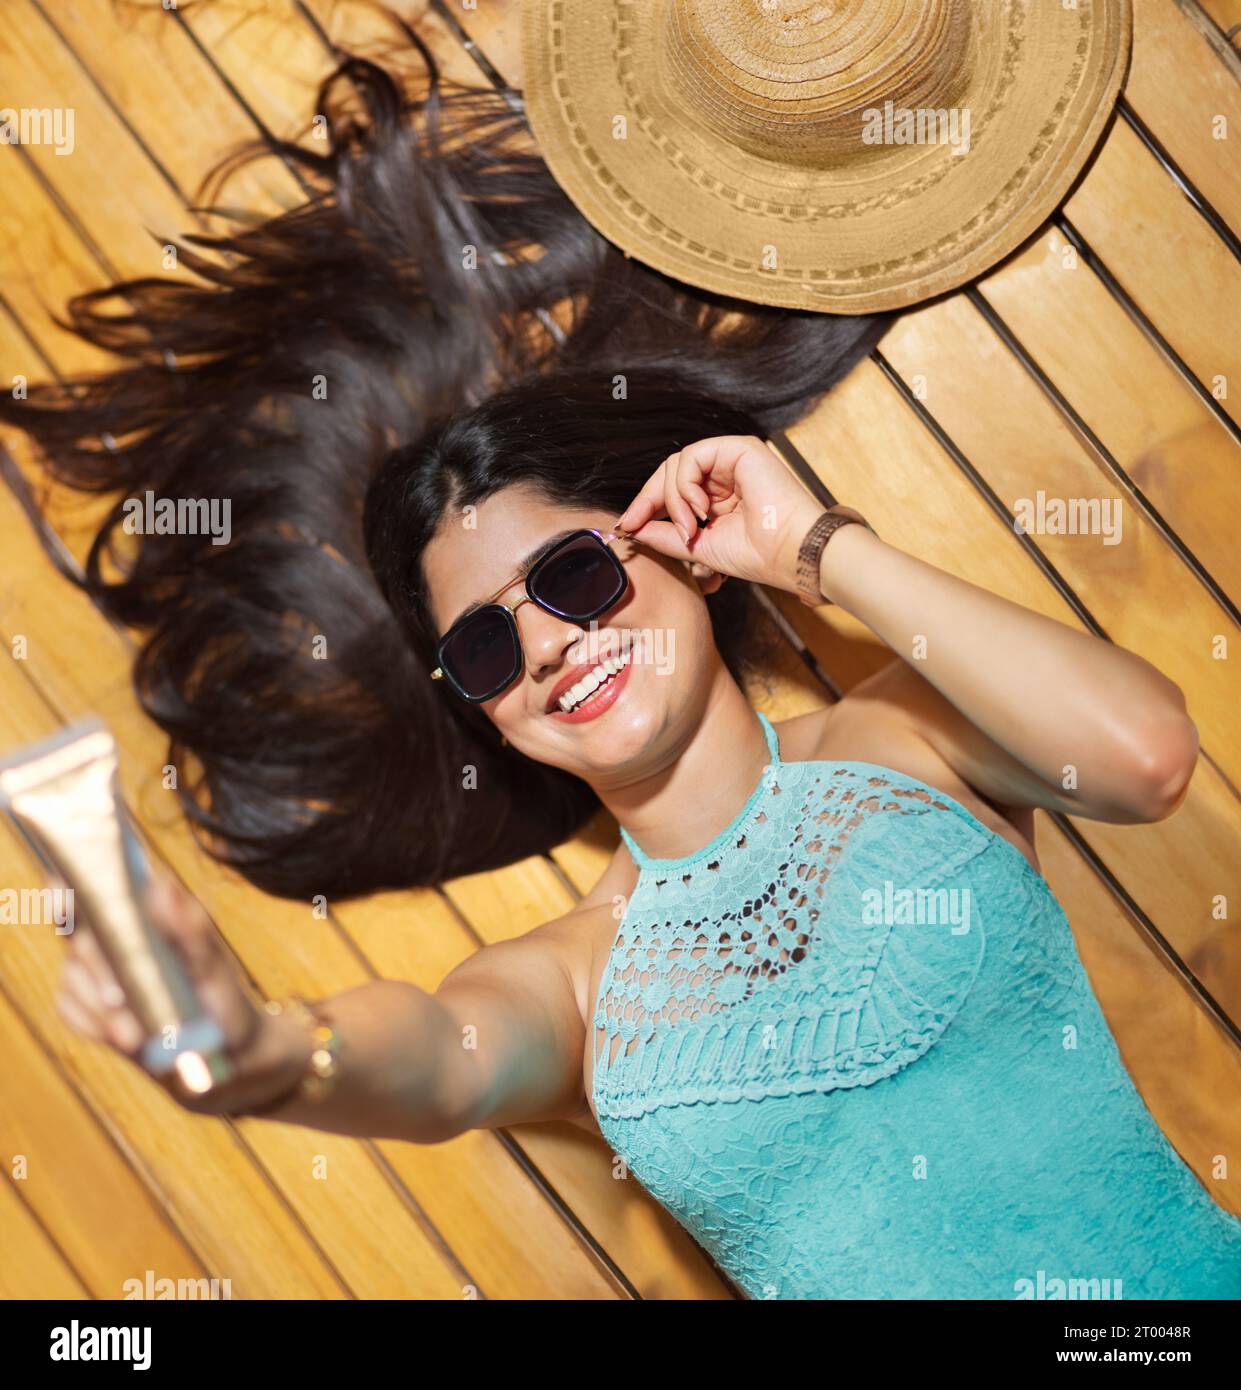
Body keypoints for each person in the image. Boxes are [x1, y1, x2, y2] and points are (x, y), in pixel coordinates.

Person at [52, 376, 1241, 1299]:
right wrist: (260, 1050)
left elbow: (1144, 757)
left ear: (673, 545)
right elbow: (437, 1054)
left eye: (570, 575)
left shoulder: (904, 736)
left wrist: (816, 549)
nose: (551, 647)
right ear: (481, 706)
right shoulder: (574, 983)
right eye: (485, 647)